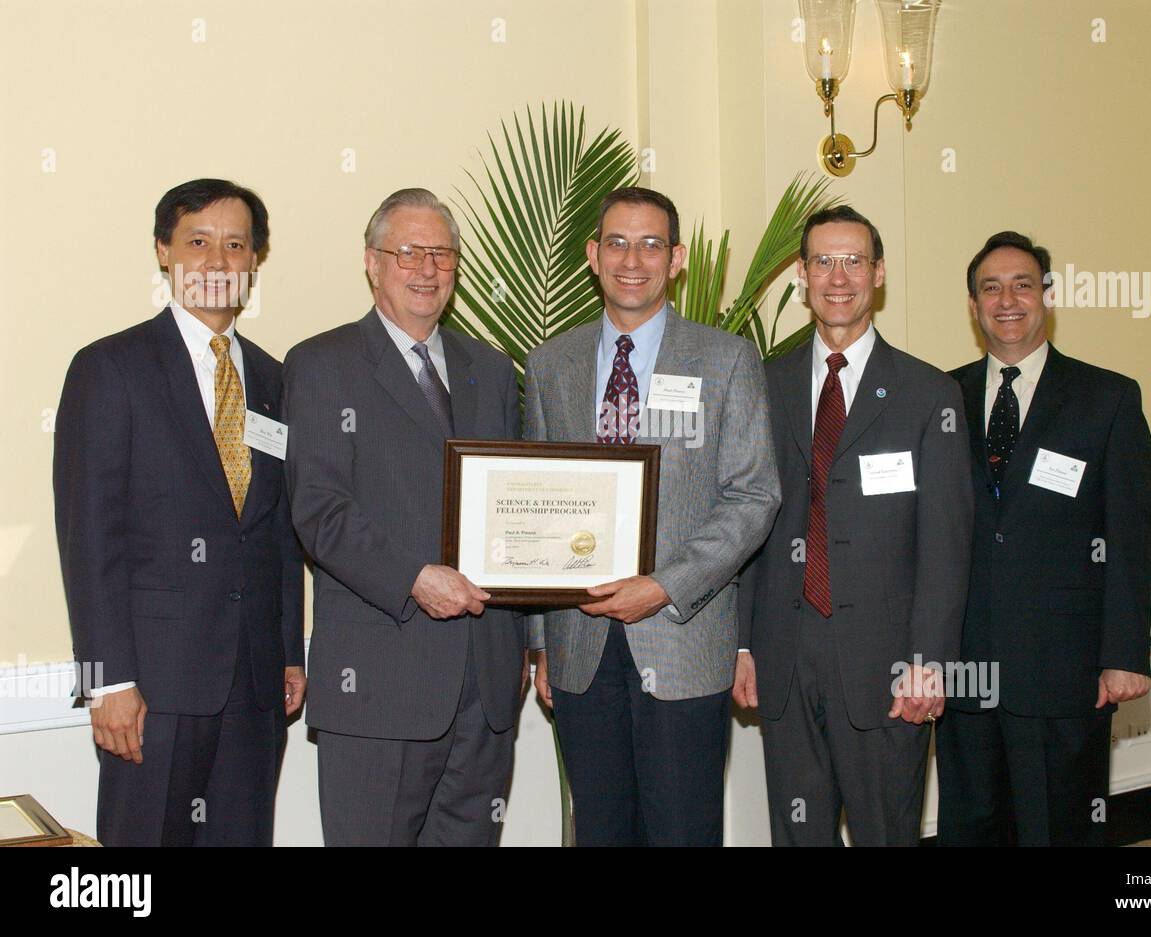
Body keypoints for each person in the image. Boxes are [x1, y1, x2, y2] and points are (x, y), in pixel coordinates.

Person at [525, 186, 781, 846]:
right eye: (616, 242)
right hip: (580, 646)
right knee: (601, 831)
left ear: (676, 259)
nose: (631, 259)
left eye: (649, 244)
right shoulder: (552, 363)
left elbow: (754, 496)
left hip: (683, 637)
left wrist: (665, 585)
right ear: (592, 254)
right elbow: (532, 501)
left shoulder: (727, 361)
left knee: (682, 831)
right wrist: (539, 641)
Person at [53, 178, 304, 846]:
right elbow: (88, 538)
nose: (219, 261)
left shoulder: (277, 380)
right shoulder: (110, 369)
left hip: (254, 688)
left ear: (254, 262)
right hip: (151, 690)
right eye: (199, 242)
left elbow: (277, 530)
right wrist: (107, 681)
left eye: (235, 245)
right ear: (164, 252)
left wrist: (288, 652)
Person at [283, 188, 526, 846]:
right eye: (407, 252)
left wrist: (534, 642)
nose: (426, 269)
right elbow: (319, 509)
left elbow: (518, 508)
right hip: (379, 687)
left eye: (442, 254)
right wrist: (414, 576)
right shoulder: (322, 364)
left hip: (486, 686)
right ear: (372, 262)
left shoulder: (493, 371)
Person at [735, 205, 972, 845]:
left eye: (853, 261)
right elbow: (748, 520)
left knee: (886, 833)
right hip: (784, 655)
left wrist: (929, 663)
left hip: (887, 664)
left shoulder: (930, 395)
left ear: (879, 273)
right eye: (823, 262)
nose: (838, 278)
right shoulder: (764, 384)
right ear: (804, 275)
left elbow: (946, 548)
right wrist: (744, 644)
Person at [937, 230, 1151, 846]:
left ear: (1048, 297)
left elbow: (1131, 538)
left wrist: (1125, 655)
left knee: (1058, 828)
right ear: (974, 305)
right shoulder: (938, 397)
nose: (1007, 300)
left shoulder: (1108, 399)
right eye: (991, 288)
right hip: (965, 667)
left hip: (1066, 667)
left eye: (1023, 285)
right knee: (970, 827)